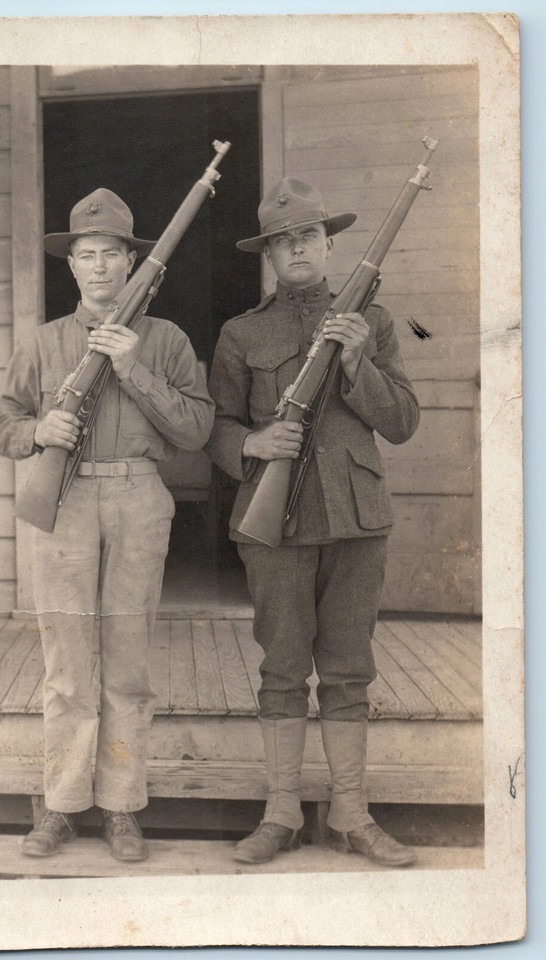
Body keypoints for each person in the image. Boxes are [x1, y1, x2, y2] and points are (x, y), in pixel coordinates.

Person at [0, 189, 214, 861]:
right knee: (66, 664)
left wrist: (132, 367)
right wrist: (38, 430)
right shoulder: (44, 343)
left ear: (131, 263)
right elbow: (3, 423)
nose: (98, 267)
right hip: (62, 500)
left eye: (111, 255)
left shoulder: (167, 340)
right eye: (85, 255)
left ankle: (121, 807)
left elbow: (197, 429)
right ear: (72, 267)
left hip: (138, 497)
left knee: (127, 663)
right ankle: (60, 806)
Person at [207, 178, 420, 867]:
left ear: (329, 245)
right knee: (283, 668)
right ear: (269, 255)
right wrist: (251, 445)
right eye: (282, 240)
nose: (296, 248)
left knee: (349, 671)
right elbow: (215, 428)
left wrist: (358, 360)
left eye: (307, 236)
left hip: (357, 522)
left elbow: (404, 422)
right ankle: (280, 815)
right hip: (277, 528)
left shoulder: (375, 323)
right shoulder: (241, 332)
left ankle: (352, 815)